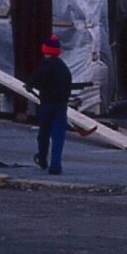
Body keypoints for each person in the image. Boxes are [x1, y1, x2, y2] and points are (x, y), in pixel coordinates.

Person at [25, 33, 73, 174]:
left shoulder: (44, 65)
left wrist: (29, 85)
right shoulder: (64, 68)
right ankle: (56, 165)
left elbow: (35, 79)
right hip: (61, 105)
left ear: (45, 51)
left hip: (46, 104)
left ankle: (42, 159)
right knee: (58, 136)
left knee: (44, 134)